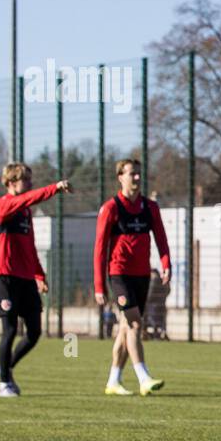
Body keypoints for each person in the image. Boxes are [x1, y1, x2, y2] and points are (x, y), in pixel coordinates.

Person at [0, 162, 72, 397]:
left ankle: (6, 366)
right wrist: (55, 187)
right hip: (5, 276)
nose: (30, 184)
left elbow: (29, 247)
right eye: (26, 180)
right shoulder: (2, 205)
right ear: (12, 182)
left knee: (35, 331)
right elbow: (27, 200)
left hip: (26, 278)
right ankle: (5, 383)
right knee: (10, 330)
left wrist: (39, 274)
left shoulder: (26, 212)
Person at [93, 159, 170, 396]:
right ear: (120, 177)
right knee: (135, 322)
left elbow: (161, 239)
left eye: (138, 174)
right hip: (119, 275)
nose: (136, 178)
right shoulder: (111, 208)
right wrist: (99, 285)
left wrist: (166, 265)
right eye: (131, 174)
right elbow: (99, 248)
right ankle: (143, 377)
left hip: (142, 275)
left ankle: (113, 380)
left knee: (126, 328)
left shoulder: (150, 208)